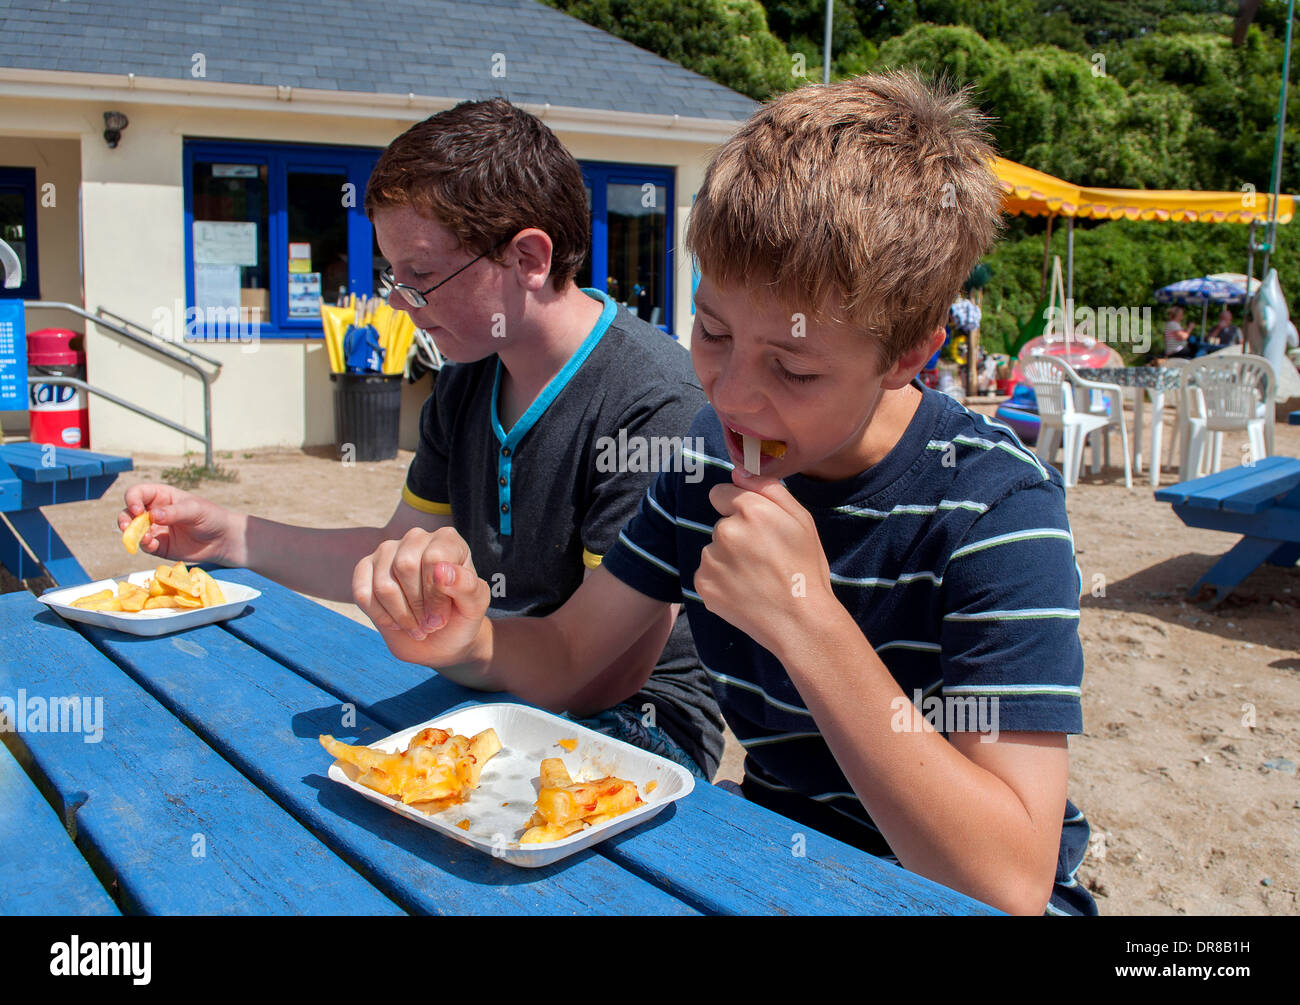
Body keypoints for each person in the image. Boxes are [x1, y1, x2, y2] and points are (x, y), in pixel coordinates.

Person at [351, 71, 1096, 916]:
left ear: (907, 357)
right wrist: (468, 639)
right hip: (780, 858)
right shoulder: (707, 457)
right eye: (711, 330)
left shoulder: (995, 512)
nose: (734, 394)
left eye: (794, 365)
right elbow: (569, 654)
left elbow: (1008, 878)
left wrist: (807, 619)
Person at [117, 98, 725, 780]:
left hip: (640, 723)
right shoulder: (467, 378)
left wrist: (465, 645)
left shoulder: (655, 402)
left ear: (528, 256)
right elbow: (390, 546)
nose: (398, 302)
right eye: (392, 276)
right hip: (500, 684)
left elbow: (597, 670)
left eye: (422, 276)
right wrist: (229, 535)